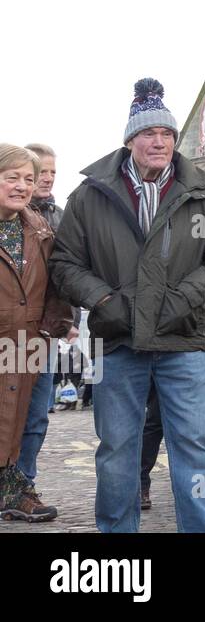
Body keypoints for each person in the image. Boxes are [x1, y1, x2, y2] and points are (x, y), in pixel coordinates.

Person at [50, 78, 205, 533]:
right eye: (148, 133)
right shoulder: (90, 196)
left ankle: (199, 528)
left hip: (183, 343)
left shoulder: (202, 198)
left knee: (192, 447)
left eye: (167, 134)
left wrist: (181, 299)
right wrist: (103, 300)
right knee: (117, 449)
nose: (159, 142)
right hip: (117, 344)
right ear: (130, 139)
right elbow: (65, 263)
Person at [0, 145, 73, 522]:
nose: (23, 186)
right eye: (12, 177)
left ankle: (15, 489)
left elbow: (57, 286)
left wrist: (52, 328)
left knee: (24, 419)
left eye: (28, 179)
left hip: (29, 342)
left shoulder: (41, 229)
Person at [16, 142, 66, 516]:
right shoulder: (12, 218)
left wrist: (65, 323)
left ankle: (23, 484)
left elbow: (66, 276)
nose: (46, 179)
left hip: (42, 334)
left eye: (51, 172)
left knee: (36, 415)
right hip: (10, 334)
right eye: (39, 172)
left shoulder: (60, 217)